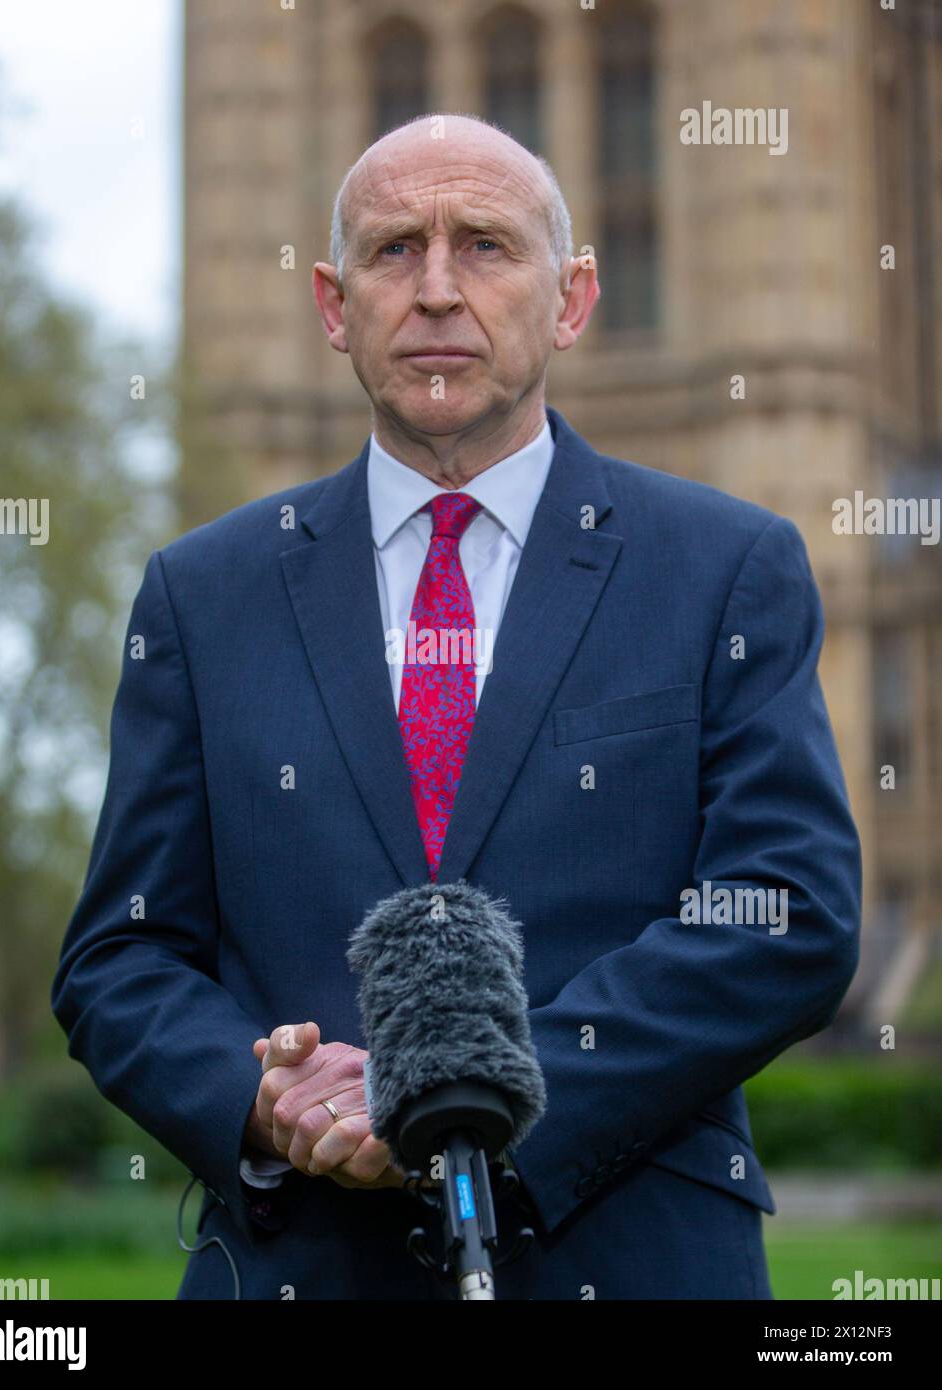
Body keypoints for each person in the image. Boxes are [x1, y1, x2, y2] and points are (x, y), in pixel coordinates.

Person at [52, 113, 861, 1300]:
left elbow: (783, 911)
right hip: (302, 1268)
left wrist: (469, 1086)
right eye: (392, 252)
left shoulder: (720, 566)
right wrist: (262, 1099)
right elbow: (120, 954)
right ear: (332, 307)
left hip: (629, 1258)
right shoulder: (202, 594)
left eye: (484, 245)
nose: (435, 289)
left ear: (571, 299)